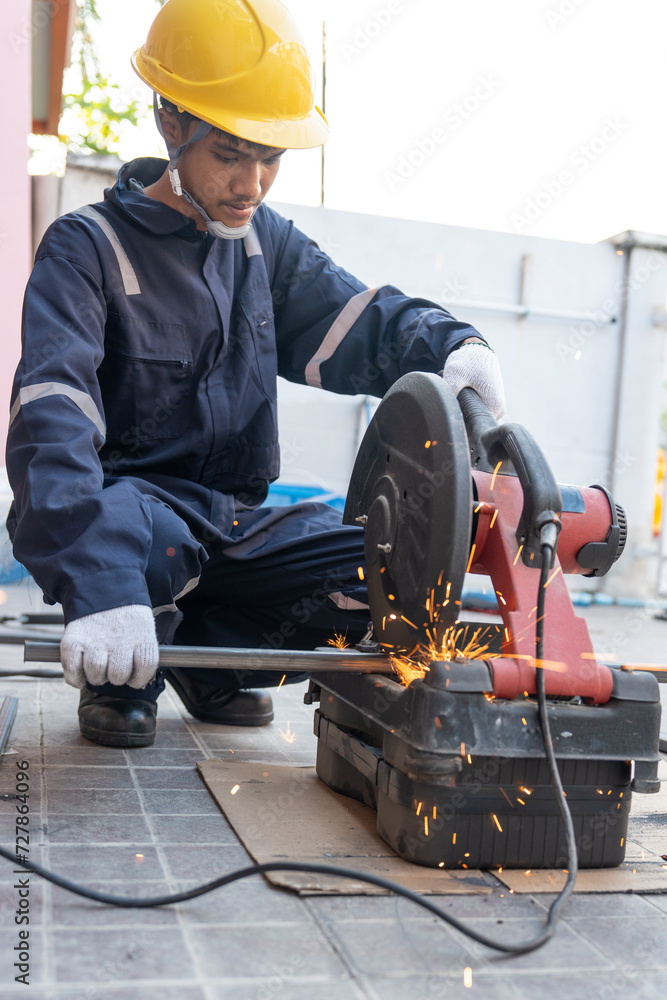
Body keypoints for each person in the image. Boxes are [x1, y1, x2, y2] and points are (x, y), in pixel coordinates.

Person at [6, 0, 505, 748]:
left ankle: (212, 663)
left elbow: (356, 319)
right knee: (130, 541)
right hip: (132, 518)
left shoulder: (260, 244)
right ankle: (124, 671)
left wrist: (452, 347)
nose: (254, 184)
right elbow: (52, 417)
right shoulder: (88, 249)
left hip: (231, 522)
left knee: (390, 567)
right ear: (171, 122)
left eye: (270, 157)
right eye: (232, 154)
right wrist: (100, 585)